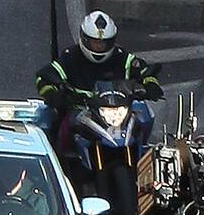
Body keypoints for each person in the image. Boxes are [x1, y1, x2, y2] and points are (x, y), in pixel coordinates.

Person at [36, 11, 164, 150]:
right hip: (81, 111)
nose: (99, 47)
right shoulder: (70, 57)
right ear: (85, 39)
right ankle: (60, 160)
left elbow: (144, 71)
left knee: (144, 116)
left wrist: (151, 85)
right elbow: (45, 76)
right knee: (58, 125)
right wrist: (53, 95)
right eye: (95, 42)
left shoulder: (122, 58)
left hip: (118, 114)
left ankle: (142, 156)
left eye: (103, 43)